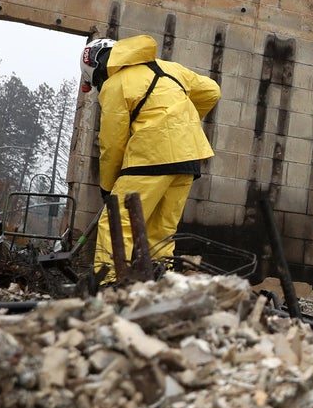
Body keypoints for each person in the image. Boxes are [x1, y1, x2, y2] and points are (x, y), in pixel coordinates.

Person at [79, 34, 219, 283]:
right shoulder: (170, 68)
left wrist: (107, 187)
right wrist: (180, 122)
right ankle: (158, 283)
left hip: (150, 157)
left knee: (116, 222)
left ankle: (110, 283)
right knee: (161, 230)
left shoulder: (115, 85)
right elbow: (211, 91)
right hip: (188, 157)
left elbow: (112, 145)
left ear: (98, 70)